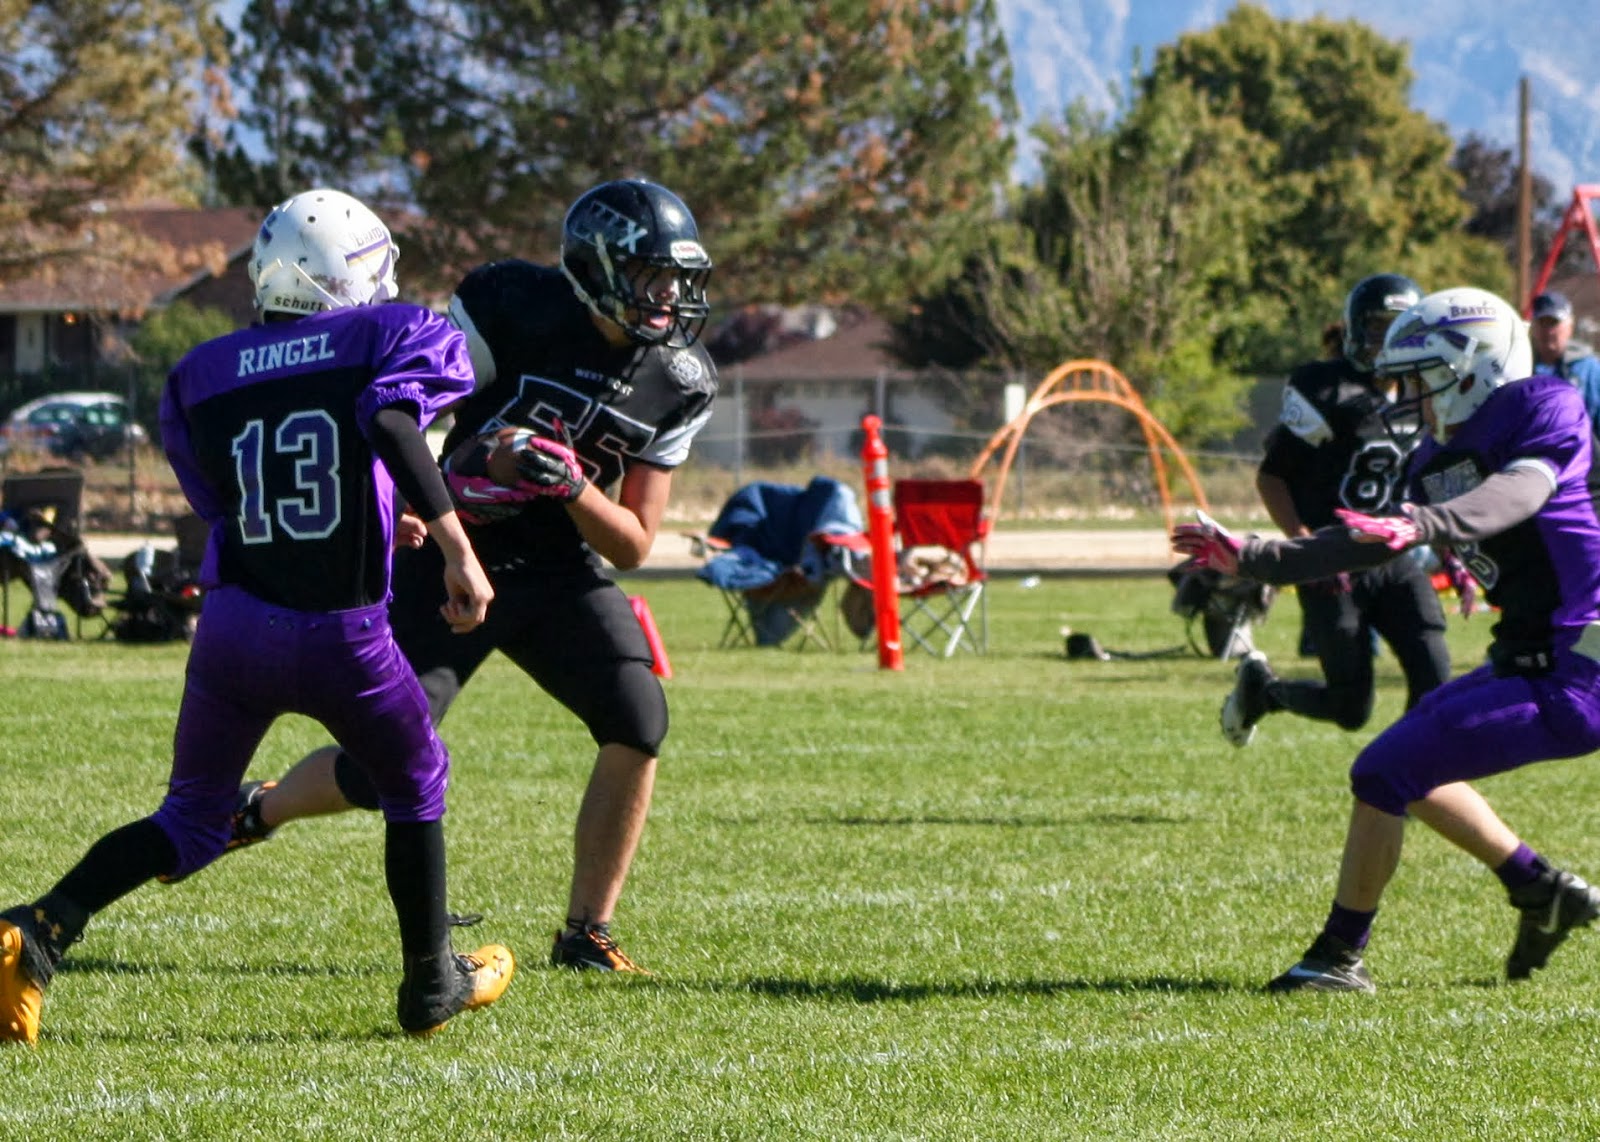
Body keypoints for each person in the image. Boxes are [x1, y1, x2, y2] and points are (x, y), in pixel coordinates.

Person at [0, 188, 515, 1046]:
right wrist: (460, 548)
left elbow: (242, 500)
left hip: (235, 628)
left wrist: (390, 512)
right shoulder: (388, 334)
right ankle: (432, 980)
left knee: (191, 819)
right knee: (416, 780)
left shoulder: (202, 371)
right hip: (339, 631)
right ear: (349, 273)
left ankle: (41, 928)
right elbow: (388, 418)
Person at [224, 178, 718, 975]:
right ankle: (261, 807)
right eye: (649, 276)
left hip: (556, 566)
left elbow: (631, 544)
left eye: (676, 280)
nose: (666, 299)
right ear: (597, 268)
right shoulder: (512, 306)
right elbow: (400, 407)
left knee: (639, 715)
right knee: (386, 764)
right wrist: (444, 484)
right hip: (453, 550)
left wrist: (566, 482)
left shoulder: (682, 377)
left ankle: (586, 931)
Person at [1175, 285, 1600, 992]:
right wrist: (1253, 556)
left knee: (1384, 770)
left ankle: (1339, 957)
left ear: (1474, 367)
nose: (1408, 397)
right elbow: (1369, 544)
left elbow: (1522, 492)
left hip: (1578, 669)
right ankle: (1541, 890)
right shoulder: (1435, 455)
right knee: (1413, 765)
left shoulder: (1540, 406)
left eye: (1422, 378)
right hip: (1526, 659)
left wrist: (1434, 527)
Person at [1225, 272, 1459, 747]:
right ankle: (1264, 692)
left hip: (1394, 555)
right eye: (1379, 327)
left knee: (1435, 677)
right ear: (1355, 329)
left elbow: (1430, 478)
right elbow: (1272, 476)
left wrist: (1451, 553)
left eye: (1402, 327)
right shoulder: (1325, 387)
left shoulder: (1425, 389)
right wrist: (1306, 545)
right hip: (1334, 557)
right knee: (1351, 708)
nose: (1390, 340)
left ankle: (1415, 777)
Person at [1528, 290, 1600, 423]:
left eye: (1553, 322)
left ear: (1570, 327)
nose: (1548, 330)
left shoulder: (1588, 368)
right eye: (1542, 322)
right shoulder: (1522, 366)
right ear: (1533, 326)